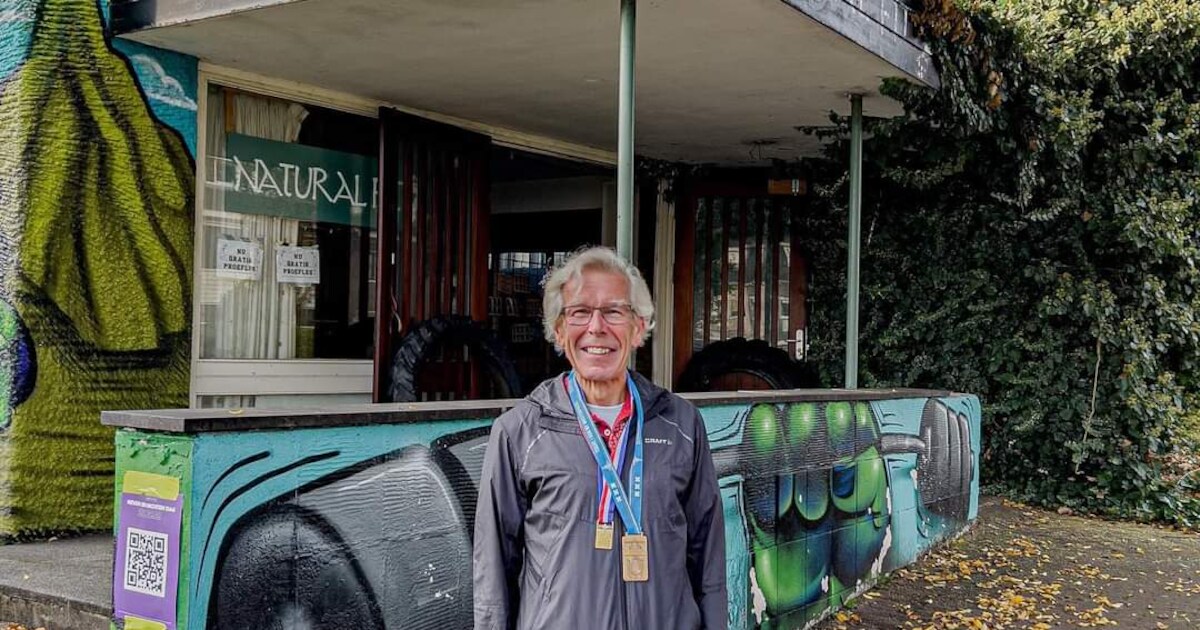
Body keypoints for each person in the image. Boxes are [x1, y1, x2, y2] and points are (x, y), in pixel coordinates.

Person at [473, 246, 727, 630]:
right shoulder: (520, 431)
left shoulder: (681, 425)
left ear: (638, 327)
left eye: (614, 311)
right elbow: (493, 570)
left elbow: (707, 559)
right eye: (579, 312)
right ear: (559, 330)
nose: (596, 327)